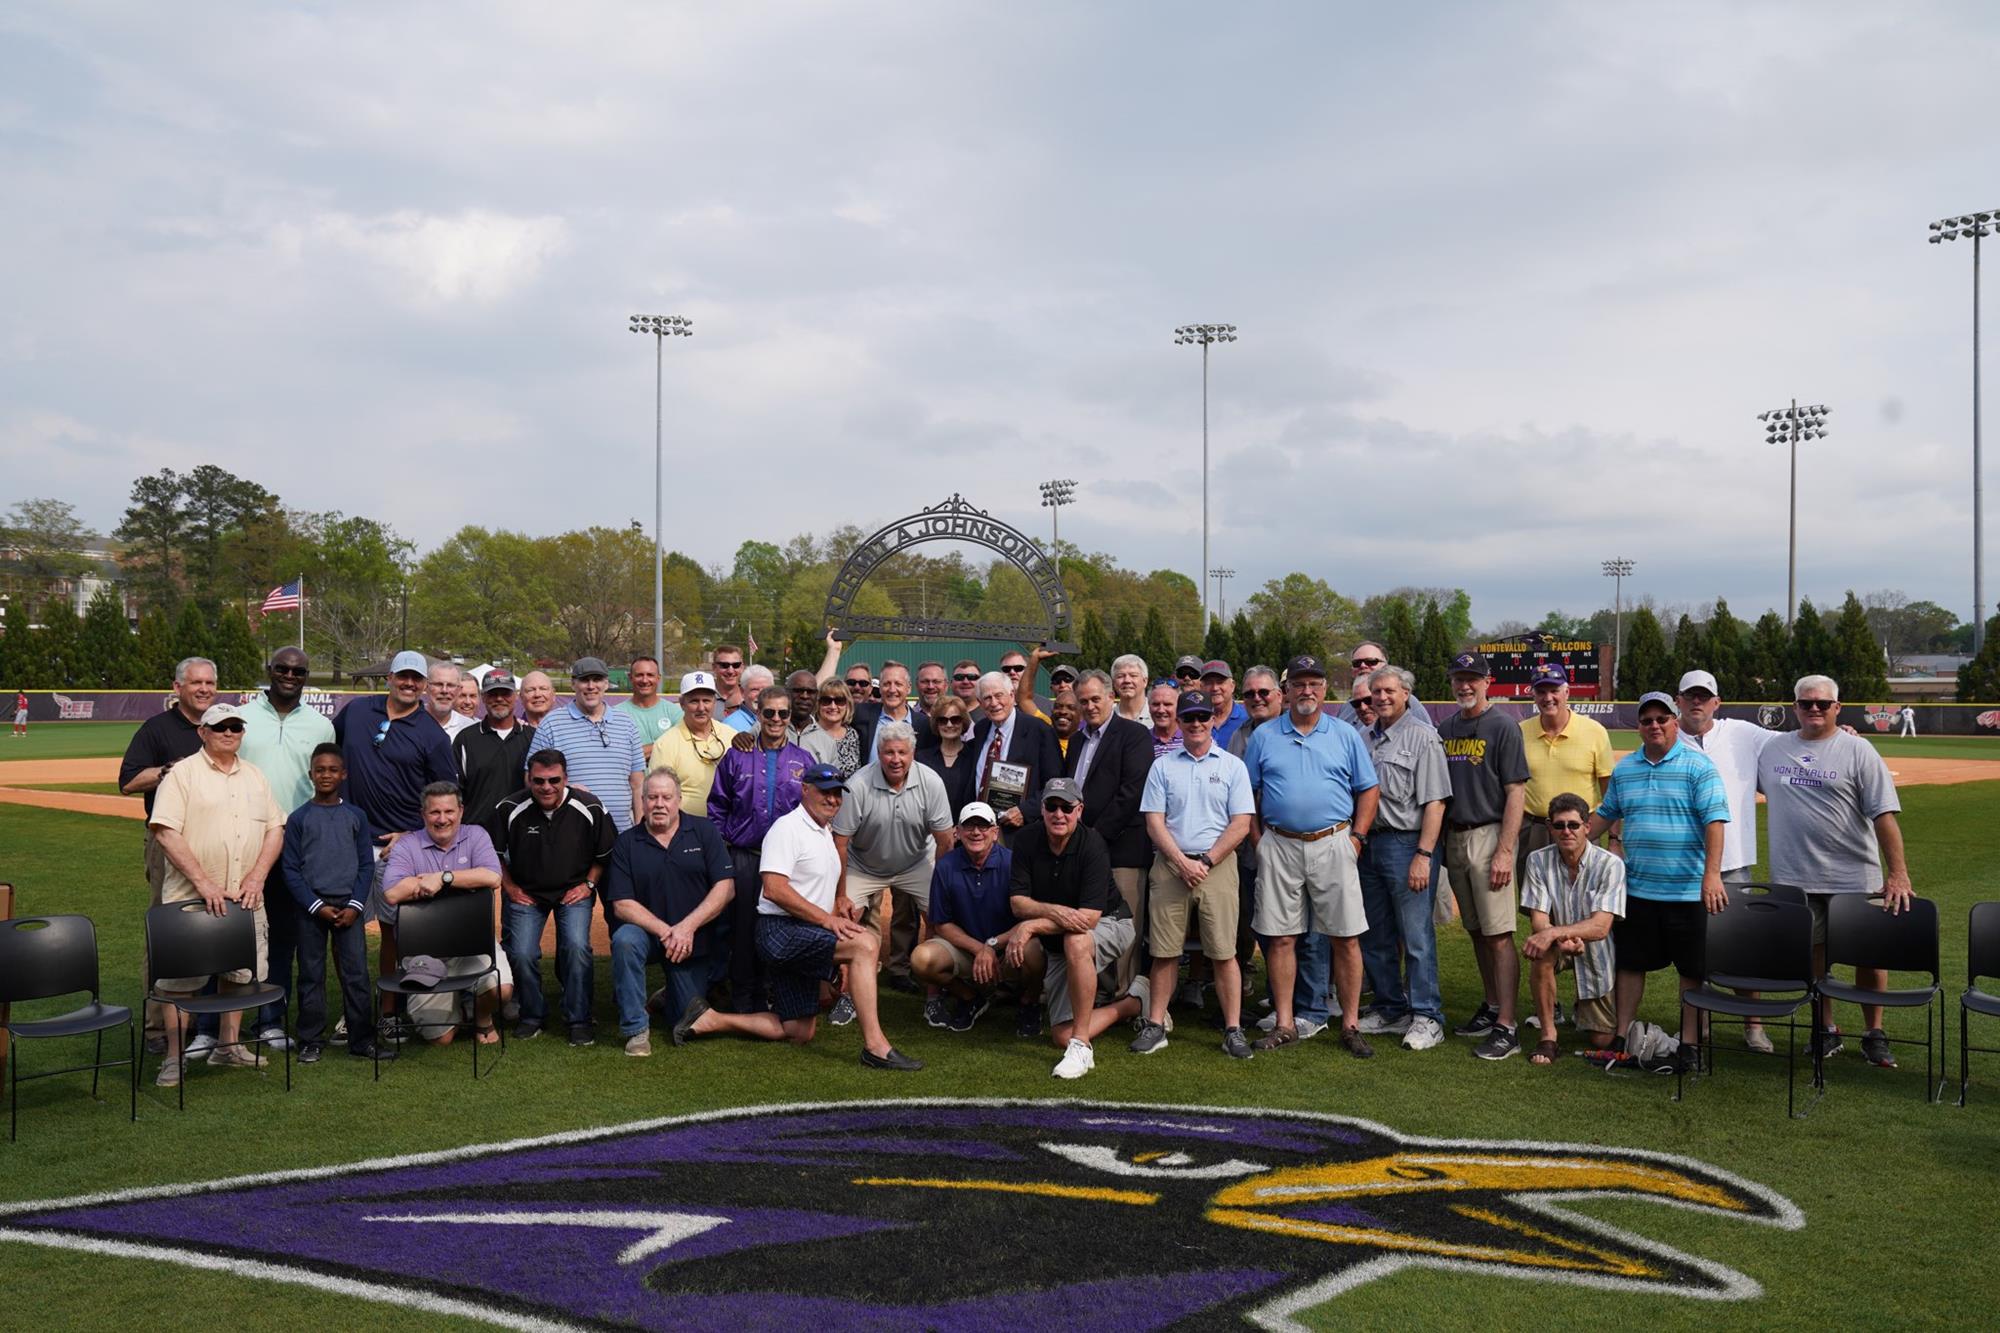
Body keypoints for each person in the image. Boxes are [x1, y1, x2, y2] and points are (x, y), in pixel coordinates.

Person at [672, 763, 923, 1070]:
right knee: (866, 944)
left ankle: (710, 1019)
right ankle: (875, 1046)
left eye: (837, 795)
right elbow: (775, 889)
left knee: (799, 1031)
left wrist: (836, 908)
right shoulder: (787, 828)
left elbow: (815, 889)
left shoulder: (823, 830)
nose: (832, 800)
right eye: (824, 792)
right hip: (779, 932)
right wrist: (828, 922)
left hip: (804, 932)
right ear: (805, 790)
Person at [1757, 675, 1914, 1067]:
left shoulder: (1858, 750)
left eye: (1823, 704)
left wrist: (1897, 873)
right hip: (1796, 879)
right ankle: (1825, 1029)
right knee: (1815, 956)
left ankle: (1873, 1032)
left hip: (1853, 876)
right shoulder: (1773, 749)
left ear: (1837, 708)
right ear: (1794, 707)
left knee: (1868, 957)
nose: (1814, 709)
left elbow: (1884, 816)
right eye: (1806, 703)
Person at [1243, 653, 1380, 1059]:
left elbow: (1368, 789)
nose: (1307, 690)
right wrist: (1259, 841)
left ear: (1324, 689)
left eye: (1314, 683)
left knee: (1346, 936)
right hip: (1280, 844)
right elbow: (1245, 794)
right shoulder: (1265, 736)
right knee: (1281, 937)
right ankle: (1286, 1023)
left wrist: (1357, 838)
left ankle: (1350, 1024)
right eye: (1299, 683)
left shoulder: (1344, 734)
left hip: (1334, 840)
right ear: (1286, 691)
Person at [146, 703, 287, 1087]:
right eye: (220, 727)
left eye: (235, 727)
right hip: (192, 897)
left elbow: (276, 829)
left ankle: (228, 1046)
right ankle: (174, 1058)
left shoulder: (255, 776)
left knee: (240, 974)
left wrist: (258, 877)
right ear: (202, 732)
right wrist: (205, 883)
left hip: (245, 895)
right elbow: (165, 831)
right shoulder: (183, 775)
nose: (228, 732)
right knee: (180, 983)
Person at [1587, 692, 1729, 1069]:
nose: (1654, 726)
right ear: (1639, 726)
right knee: (1630, 964)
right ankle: (1622, 1034)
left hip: (1686, 891)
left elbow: (1715, 821)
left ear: (1675, 722)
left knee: (1690, 971)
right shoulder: (1626, 768)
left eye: (1661, 719)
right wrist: (1572, 835)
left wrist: (1712, 874)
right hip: (1638, 889)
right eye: (1647, 720)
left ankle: (1690, 1042)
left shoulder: (1699, 766)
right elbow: (1606, 813)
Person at [333, 648, 456, 1031]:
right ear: (389, 677)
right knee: (346, 926)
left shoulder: (431, 734)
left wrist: (413, 834)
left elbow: (446, 794)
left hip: (397, 847)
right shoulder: (355, 712)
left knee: (391, 931)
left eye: (416, 679)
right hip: (351, 840)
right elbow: (328, 760)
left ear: (424, 685)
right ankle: (352, 1012)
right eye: (402, 676)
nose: (409, 683)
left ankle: (388, 1010)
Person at [1131, 690, 1257, 1059]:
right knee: (1165, 952)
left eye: (1203, 717)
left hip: (1217, 867)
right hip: (1171, 866)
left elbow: (1242, 823)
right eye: (1190, 718)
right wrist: (1181, 861)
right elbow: (1154, 821)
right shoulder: (1163, 766)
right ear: (1180, 722)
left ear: (1212, 721)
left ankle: (1232, 1029)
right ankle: (1156, 1024)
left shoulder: (1232, 766)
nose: (1197, 723)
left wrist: (1206, 860)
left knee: (1223, 952)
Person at [1674, 668, 1778, 1051]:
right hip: (1683, 865)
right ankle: (1696, 1024)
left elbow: (1797, 742)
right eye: (1690, 695)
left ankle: (1753, 1026)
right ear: (1679, 700)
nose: (1697, 701)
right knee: (1691, 951)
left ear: (1716, 702)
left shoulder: (1743, 733)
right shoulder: (1668, 737)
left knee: (1742, 947)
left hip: (1733, 863)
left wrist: (1842, 733)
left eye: (1704, 696)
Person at [238, 646, 335, 1055]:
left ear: (306, 675)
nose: (290, 675)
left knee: (283, 938)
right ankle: (210, 1024)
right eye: (282, 669)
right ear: (269, 670)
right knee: (227, 935)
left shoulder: (320, 725)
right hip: (244, 839)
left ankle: (270, 1020)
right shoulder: (239, 718)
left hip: (296, 844)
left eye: (298, 671)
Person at [119, 656, 216, 1053]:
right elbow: (127, 782)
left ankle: (205, 1022)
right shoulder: (157, 728)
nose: (205, 689)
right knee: (166, 930)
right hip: (167, 842)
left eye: (210, 682)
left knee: (215, 928)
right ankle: (159, 1028)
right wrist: (167, 771)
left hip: (214, 840)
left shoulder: (222, 724)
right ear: (177, 687)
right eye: (196, 682)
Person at [1354, 666, 1453, 1053]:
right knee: (1375, 934)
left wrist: (1424, 855)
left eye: (1389, 691)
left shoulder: (1423, 737)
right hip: (1369, 844)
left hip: (1407, 843)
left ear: (1406, 694)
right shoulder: (1363, 737)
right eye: (1375, 692)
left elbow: (1435, 803)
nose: (1380, 698)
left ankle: (1428, 1015)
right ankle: (1390, 1006)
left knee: (1415, 936)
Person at [1434, 652, 1530, 1051]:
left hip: (1490, 835)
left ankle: (1507, 1024)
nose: (1465, 685)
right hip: (1455, 836)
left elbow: (1516, 793)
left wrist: (1505, 851)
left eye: (1472, 678)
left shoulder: (1503, 726)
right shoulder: (1447, 726)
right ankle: (1492, 1005)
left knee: (1499, 934)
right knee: (1476, 930)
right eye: (1459, 678)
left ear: (1488, 682)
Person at [605, 769, 735, 1057]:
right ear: (642, 800)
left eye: (666, 797)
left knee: (684, 1018)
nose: (659, 804)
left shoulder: (704, 831)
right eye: (652, 797)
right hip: (651, 936)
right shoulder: (627, 842)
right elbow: (622, 904)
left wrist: (687, 928)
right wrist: (667, 931)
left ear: (679, 800)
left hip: (691, 939)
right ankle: (636, 1030)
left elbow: (726, 888)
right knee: (625, 940)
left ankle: (666, 995)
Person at [491, 749, 615, 1045]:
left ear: (566, 779)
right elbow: (493, 854)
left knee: (575, 947)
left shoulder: (591, 806)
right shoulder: (509, 808)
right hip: (527, 892)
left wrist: (588, 885)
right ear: (529, 779)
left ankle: (579, 1018)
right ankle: (532, 1015)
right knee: (521, 952)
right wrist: (509, 888)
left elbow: (604, 853)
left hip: (573, 890)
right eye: (539, 781)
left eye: (554, 780)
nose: (546, 787)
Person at [1008, 777, 1130, 1078]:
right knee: (1060, 1034)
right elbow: (1017, 903)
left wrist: (1033, 924)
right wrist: (1054, 913)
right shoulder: (1026, 839)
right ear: (1043, 808)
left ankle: (1081, 1045)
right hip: (1061, 932)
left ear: (1080, 810)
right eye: (1052, 805)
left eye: (1067, 807)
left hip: (1111, 921)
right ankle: (1131, 1003)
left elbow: (1087, 919)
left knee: (1076, 941)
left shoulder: (1093, 844)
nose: (1058, 814)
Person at [832, 722, 955, 1010]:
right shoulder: (858, 785)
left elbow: (945, 840)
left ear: (912, 753)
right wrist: (840, 895)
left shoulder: (931, 781)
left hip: (915, 863)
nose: (895, 759)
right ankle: (847, 995)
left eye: (902, 752)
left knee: (939, 918)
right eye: (889, 752)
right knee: (842, 921)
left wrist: (940, 888)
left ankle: (934, 996)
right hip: (864, 865)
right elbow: (840, 842)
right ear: (879, 752)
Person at [706, 685, 811, 1012]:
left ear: (790, 717)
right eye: (769, 713)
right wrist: (728, 841)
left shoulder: (803, 760)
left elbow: (811, 812)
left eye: (783, 713)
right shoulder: (737, 754)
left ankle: (774, 993)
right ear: (759, 714)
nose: (776, 719)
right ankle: (742, 996)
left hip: (786, 864)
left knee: (780, 926)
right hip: (745, 858)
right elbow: (716, 807)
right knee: (742, 928)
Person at [282, 743, 386, 1063]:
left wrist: (356, 905)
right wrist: (315, 905)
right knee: (311, 974)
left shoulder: (355, 816)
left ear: (344, 774)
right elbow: (290, 868)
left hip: (348, 909)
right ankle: (311, 1038)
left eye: (332, 770)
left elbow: (366, 864)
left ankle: (361, 1039)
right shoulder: (299, 818)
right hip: (312, 910)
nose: (326, 775)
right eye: (320, 770)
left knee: (356, 974)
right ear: (310, 774)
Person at [379, 782, 504, 1046]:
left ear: (460, 811)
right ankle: (457, 1010)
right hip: (424, 951)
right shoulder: (407, 845)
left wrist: (442, 879)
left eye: (449, 811)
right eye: (435, 813)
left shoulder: (477, 835)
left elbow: (492, 876)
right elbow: (392, 892)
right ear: (423, 814)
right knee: (441, 1039)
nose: (442, 819)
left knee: (500, 989)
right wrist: (431, 885)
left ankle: (482, 1019)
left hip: (472, 943)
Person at [1063, 668, 1154, 989]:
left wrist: (1095, 837)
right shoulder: (1075, 741)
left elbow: (1131, 793)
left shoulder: (1134, 735)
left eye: (1096, 699)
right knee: (1090, 924)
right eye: (1083, 701)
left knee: (1125, 925)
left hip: (1122, 849)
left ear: (1111, 697)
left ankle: (1126, 994)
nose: (1089, 706)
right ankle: (1097, 992)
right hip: (1084, 849)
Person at [1520, 792, 1626, 1066]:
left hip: (1596, 950)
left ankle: (1583, 1008)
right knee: (1541, 951)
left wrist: (1556, 933)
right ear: (1549, 828)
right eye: (1559, 825)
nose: (1566, 831)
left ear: (1587, 827)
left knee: (1601, 1039)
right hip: (1558, 945)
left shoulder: (1610, 864)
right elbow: (1539, 919)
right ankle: (1548, 1037)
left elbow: (1601, 927)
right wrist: (1556, 939)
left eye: (1573, 825)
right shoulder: (1537, 860)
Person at [912, 802, 1024, 1031]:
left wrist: (992, 946)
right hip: (966, 950)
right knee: (922, 959)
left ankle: (1028, 1003)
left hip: (1007, 948)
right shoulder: (945, 866)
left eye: (983, 826)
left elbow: (1027, 920)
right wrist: (979, 949)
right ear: (958, 832)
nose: (976, 832)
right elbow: (941, 924)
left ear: (995, 833)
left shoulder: (1014, 863)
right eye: (969, 826)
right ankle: (970, 997)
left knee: (1036, 953)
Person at [1518, 662, 1617, 884]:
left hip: (1580, 828)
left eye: (1554, 690)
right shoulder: (1520, 731)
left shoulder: (1594, 731)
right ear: (1533, 695)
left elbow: (1611, 792)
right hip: (1534, 828)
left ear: (1567, 692)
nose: (1548, 697)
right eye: (1541, 691)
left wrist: (1614, 839)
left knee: (1584, 896)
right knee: (1536, 901)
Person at [526, 657, 644, 834]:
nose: (591, 686)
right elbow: (530, 779)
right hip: (570, 834)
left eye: (597, 680)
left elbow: (637, 784)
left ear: (606, 684)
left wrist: (641, 829)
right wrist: (565, 791)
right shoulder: (551, 724)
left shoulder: (626, 723)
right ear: (573, 684)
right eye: (584, 680)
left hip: (621, 834)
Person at [970, 670, 1063, 837]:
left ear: (1012, 696)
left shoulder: (1040, 731)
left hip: (1022, 832)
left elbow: (1055, 784)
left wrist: (1026, 811)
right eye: (987, 698)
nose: (994, 703)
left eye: (999, 695)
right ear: (979, 703)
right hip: (980, 829)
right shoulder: (981, 729)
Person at [454, 670, 535, 827]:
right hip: (477, 834)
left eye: (505, 693)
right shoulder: (465, 739)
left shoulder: (533, 737)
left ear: (516, 695)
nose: (499, 698)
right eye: (492, 693)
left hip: (523, 832)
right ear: (483, 697)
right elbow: (455, 793)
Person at [916, 695, 980, 820]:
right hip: (929, 830)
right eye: (943, 720)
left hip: (966, 830)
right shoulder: (921, 758)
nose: (949, 725)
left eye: (955, 719)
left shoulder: (976, 757)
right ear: (936, 724)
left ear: (963, 722)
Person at [616, 656, 683, 763]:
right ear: (630, 677)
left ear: (658, 678)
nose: (645, 680)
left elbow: (682, 748)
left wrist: (642, 751)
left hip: (668, 779)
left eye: (650, 675)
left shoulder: (675, 713)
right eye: (639, 675)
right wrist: (666, 745)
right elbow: (620, 756)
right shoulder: (616, 714)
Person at [800, 677, 864, 777]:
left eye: (839, 700)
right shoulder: (807, 733)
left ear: (847, 704)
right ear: (818, 704)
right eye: (826, 700)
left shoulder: (853, 735)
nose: (833, 706)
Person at [1202, 661, 1250, 749]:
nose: (1214, 688)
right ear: (1201, 688)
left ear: (1232, 686)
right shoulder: (1193, 720)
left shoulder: (1248, 718)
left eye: (1220, 682)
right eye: (1209, 683)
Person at [427, 661, 478, 740]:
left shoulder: (470, 728)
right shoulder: (408, 721)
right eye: (438, 684)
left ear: (459, 690)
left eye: (451, 685)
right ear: (426, 686)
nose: (444, 690)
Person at [720, 664, 777, 733]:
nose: (761, 695)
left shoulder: (781, 721)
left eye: (766, 690)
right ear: (742, 692)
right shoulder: (729, 726)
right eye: (755, 689)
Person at [1146, 680, 1185, 758]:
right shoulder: (1142, 740)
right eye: (1156, 704)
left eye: (1167, 704)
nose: (1161, 710)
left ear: (1179, 707)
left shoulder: (1192, 739)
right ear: (1149, 706)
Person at [1110, 653, 1151, 726]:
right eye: (1120, 676)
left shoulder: (1158, 713)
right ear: (1113, 683)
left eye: (1133, 675)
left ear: (1145, 681)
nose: (1127, 680)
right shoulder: (1107, 717)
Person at [710, 643, 749, 714]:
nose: (730, 671)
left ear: (742, 667)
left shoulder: (750, 698)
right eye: (724, 665)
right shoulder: (703, 699)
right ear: (714, 667)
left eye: (736, 665)